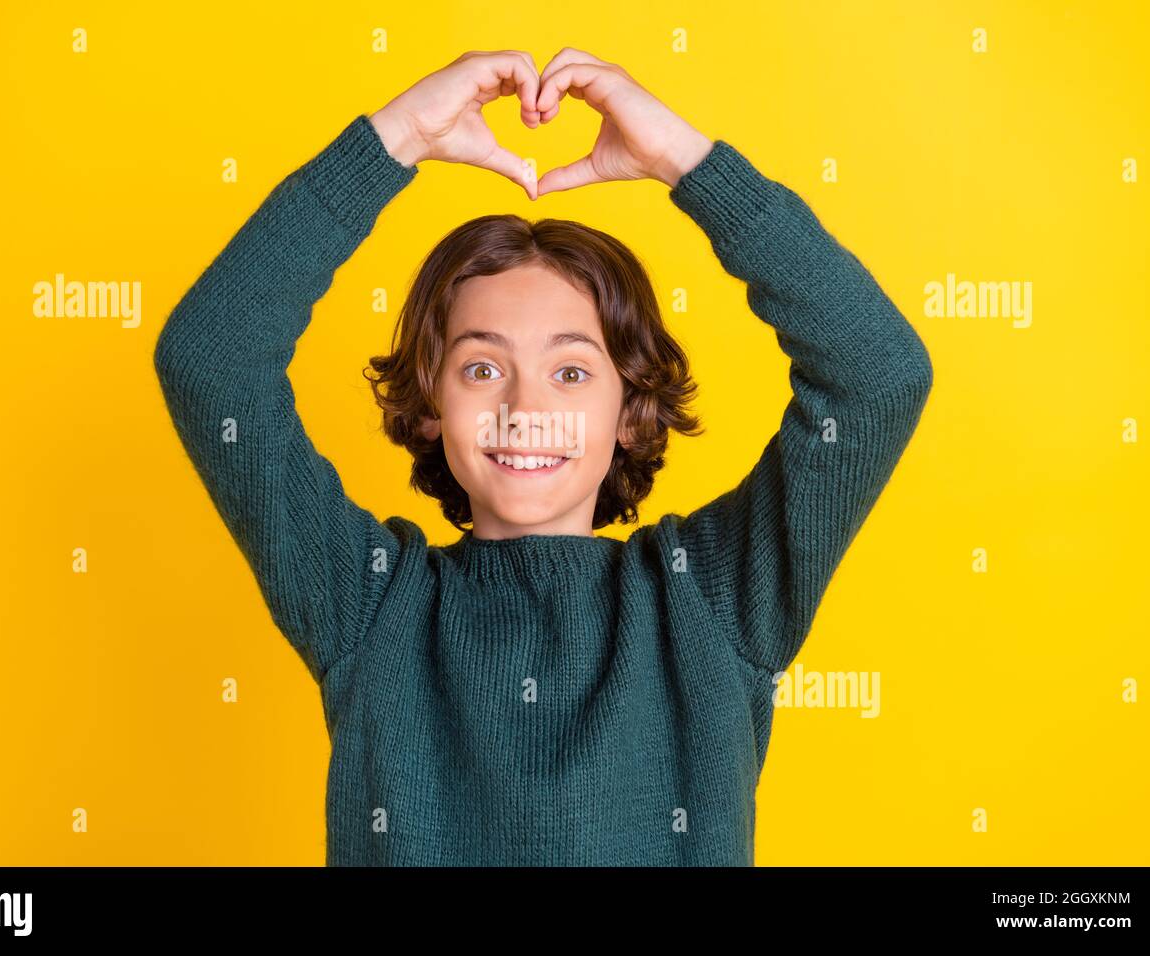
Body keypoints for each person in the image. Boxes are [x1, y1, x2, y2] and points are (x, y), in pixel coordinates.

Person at [153, 47, 933, 865]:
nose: (525, 411)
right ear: (429, 409)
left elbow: (875, 377)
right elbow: (211, 360)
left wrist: (683, 161)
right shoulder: (368, 603)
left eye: (570, 371)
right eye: (482, 368)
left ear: (631, 412)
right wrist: (395, 139)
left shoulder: (713, 598)